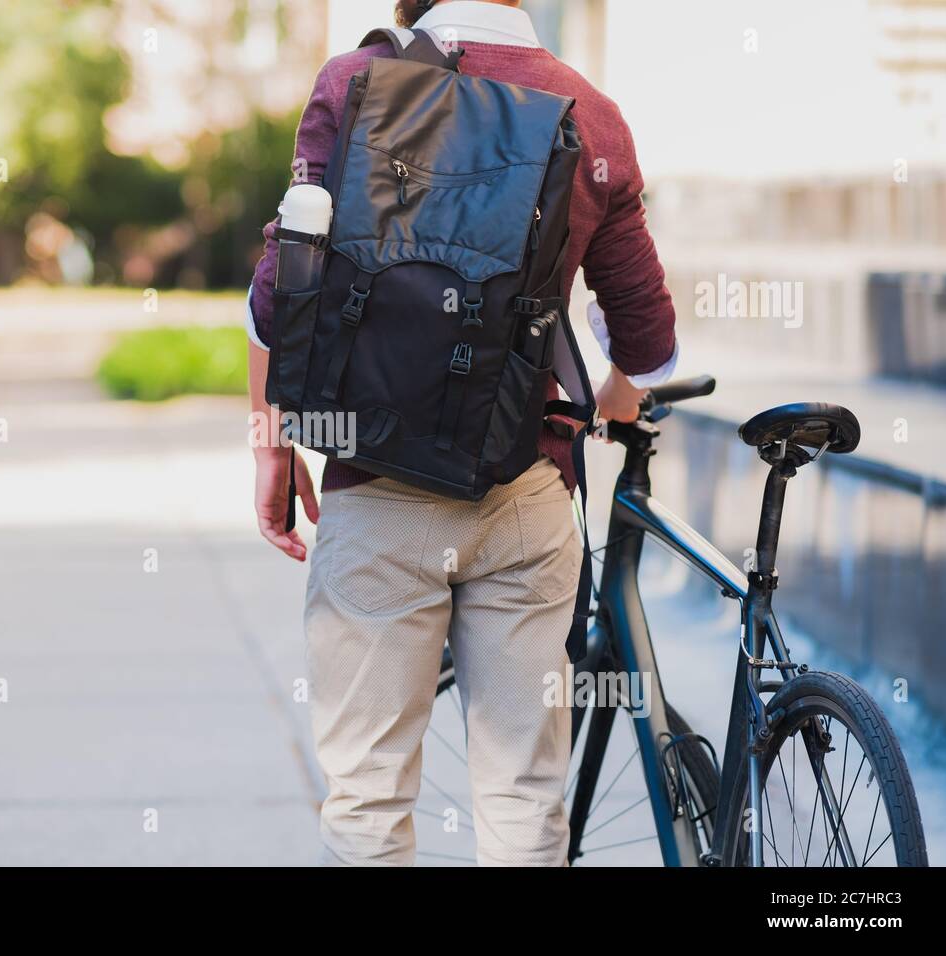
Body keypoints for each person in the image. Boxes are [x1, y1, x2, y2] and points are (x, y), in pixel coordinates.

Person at [245, 0, 678, 865]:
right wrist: (617, 398)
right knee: (522, 796)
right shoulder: (589, 112)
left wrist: (271, 444)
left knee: (367, 799)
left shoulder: (357, 80)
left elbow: (273, 299)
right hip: (526, 492)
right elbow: (650, 348)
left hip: (376, 492)